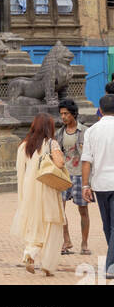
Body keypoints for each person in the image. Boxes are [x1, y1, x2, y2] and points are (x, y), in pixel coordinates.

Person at [11, 113, 67, 276]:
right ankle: (48, 266)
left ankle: (30, 253)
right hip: (47, 187)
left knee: (34, 225)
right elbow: (60, 163)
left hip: (29, 190)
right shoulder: (51, 143)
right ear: (48, 127)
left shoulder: (24, 145)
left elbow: (20, 171)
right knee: (51, 225)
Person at [81, 93, 114, 279]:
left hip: (100, 184)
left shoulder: (91, 131)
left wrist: (85, 185)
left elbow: (86, 161)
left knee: (107, 224)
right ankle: (111, 264)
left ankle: (111, 263)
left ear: (100, 110)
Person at [57, 98, 91, 256]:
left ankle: (84, 244)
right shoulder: (60, 133)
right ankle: (66, 240)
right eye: (61, 114)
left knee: (83, 210)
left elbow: (89, 156)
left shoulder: (84, 131)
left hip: (80, 175)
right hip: (64, 175)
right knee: (60, 211)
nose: (63, 117)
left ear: (74, 114)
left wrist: (88, 181)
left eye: (66, 113)